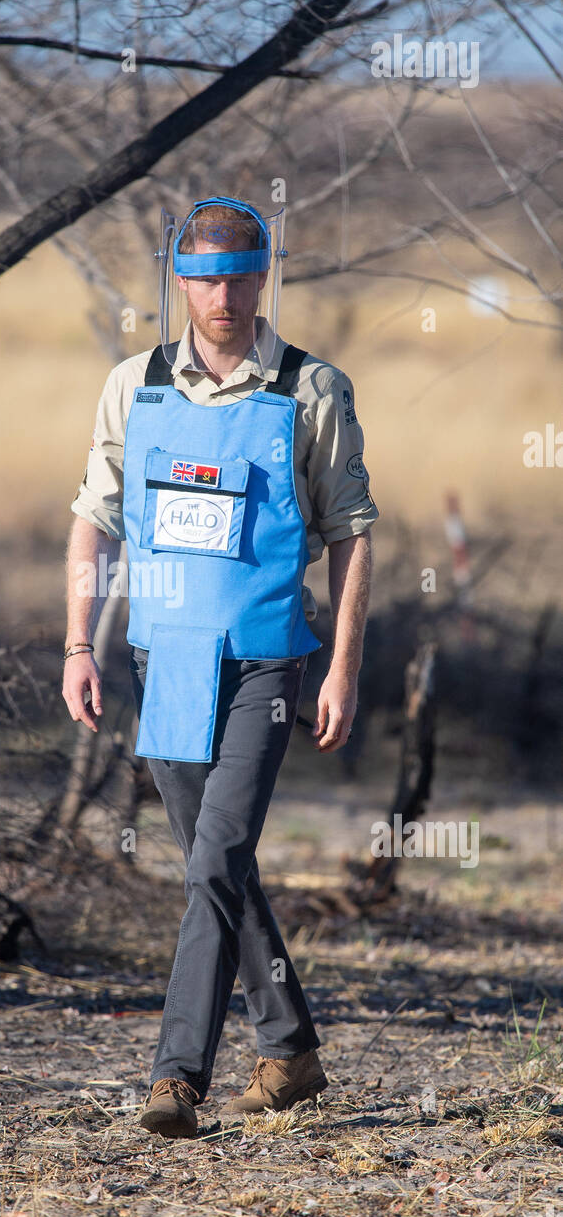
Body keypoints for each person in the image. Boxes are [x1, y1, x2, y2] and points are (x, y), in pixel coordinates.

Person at [63, 196, 377, 1138]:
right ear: (180, 282)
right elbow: (95, 516)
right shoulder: (135, 384)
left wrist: (344, 669)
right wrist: (80, 642)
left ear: (263, 276)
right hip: (164, 663)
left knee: (215, 862)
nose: (224, 297)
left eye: (241, 277)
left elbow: (353, 535)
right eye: (205, 280)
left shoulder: (311, 390)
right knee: (217, 866)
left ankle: (176, 1079)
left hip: (267, 669)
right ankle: (290, 1051)